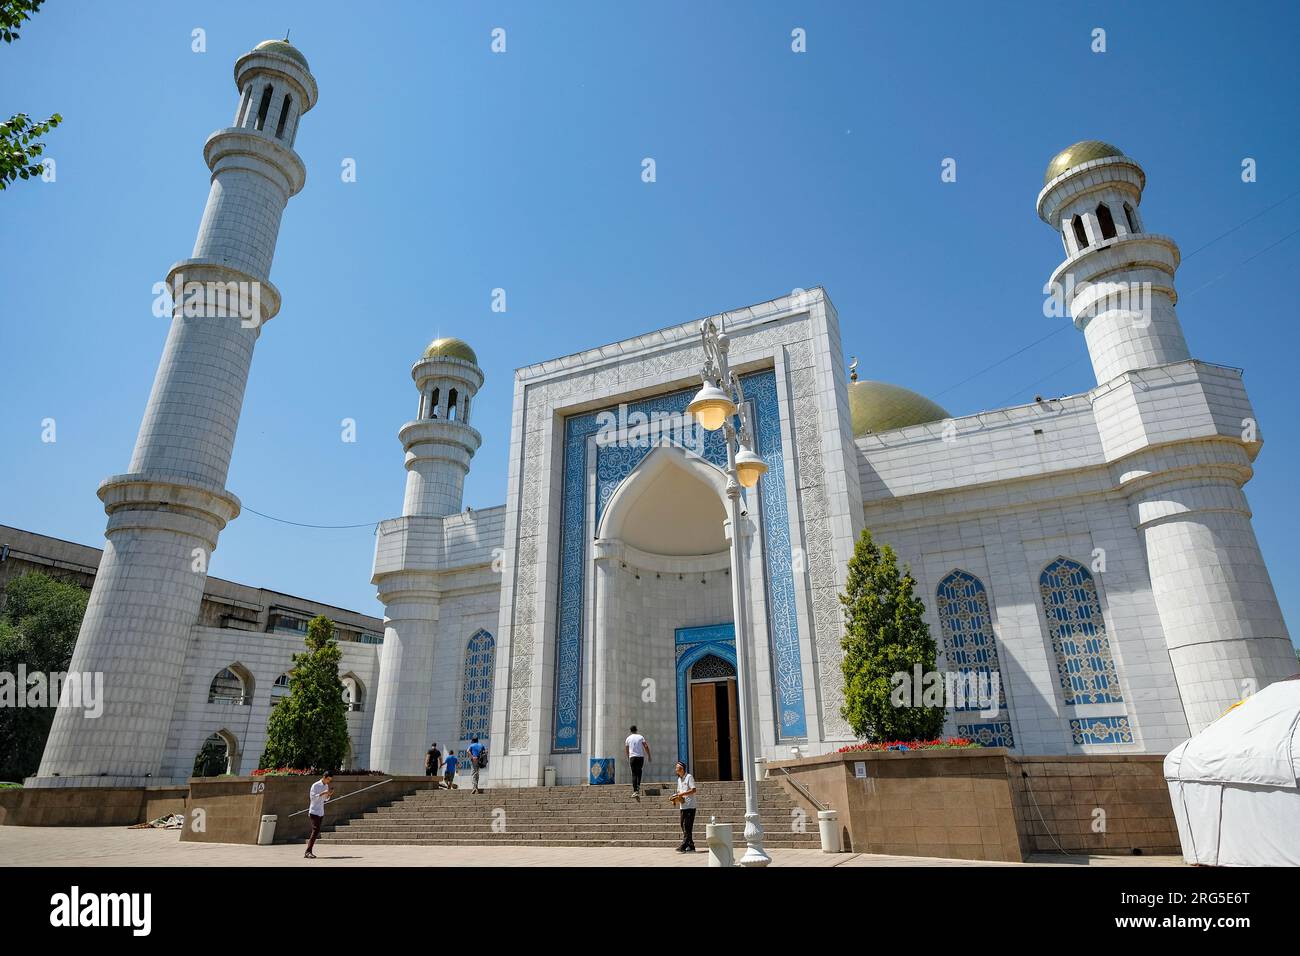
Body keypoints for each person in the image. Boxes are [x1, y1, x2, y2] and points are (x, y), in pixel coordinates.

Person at [669, 761, 697, 853]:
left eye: (677, 768)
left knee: (687, 826)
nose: (676, 769)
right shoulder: (679, 779)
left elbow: (693, 790)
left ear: (682, 769)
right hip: (683, 806)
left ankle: (684, 845)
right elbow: (679, 792)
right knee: (683, 825)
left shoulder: (689, 777)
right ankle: (691, 845)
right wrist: (674, 799)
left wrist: (682, 793)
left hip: (690, 806)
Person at [304, 770, 333, 859]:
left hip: (320, 812)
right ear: (324, 777)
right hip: (314, 811)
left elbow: (325, 800)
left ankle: (308, 851)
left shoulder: (326, 786)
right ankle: (308, 852)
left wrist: (328, 795)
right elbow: (313, 798)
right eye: (328, 779)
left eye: (330, 780)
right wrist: (323, 793)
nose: (329, 781)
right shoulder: (315, 785)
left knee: (316, 831)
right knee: (315, 830)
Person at [624, 725, 650, 799]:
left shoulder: (628, 738)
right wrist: (649, 755)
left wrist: (628, 757)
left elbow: (626, 749)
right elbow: (646, 746)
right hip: (640, 757)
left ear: (630, 731)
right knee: (639, 771)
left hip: (632, 757)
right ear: (636, 730)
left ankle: (635, 790)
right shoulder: (640, 737)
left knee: (634, 773)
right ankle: (638, 785)